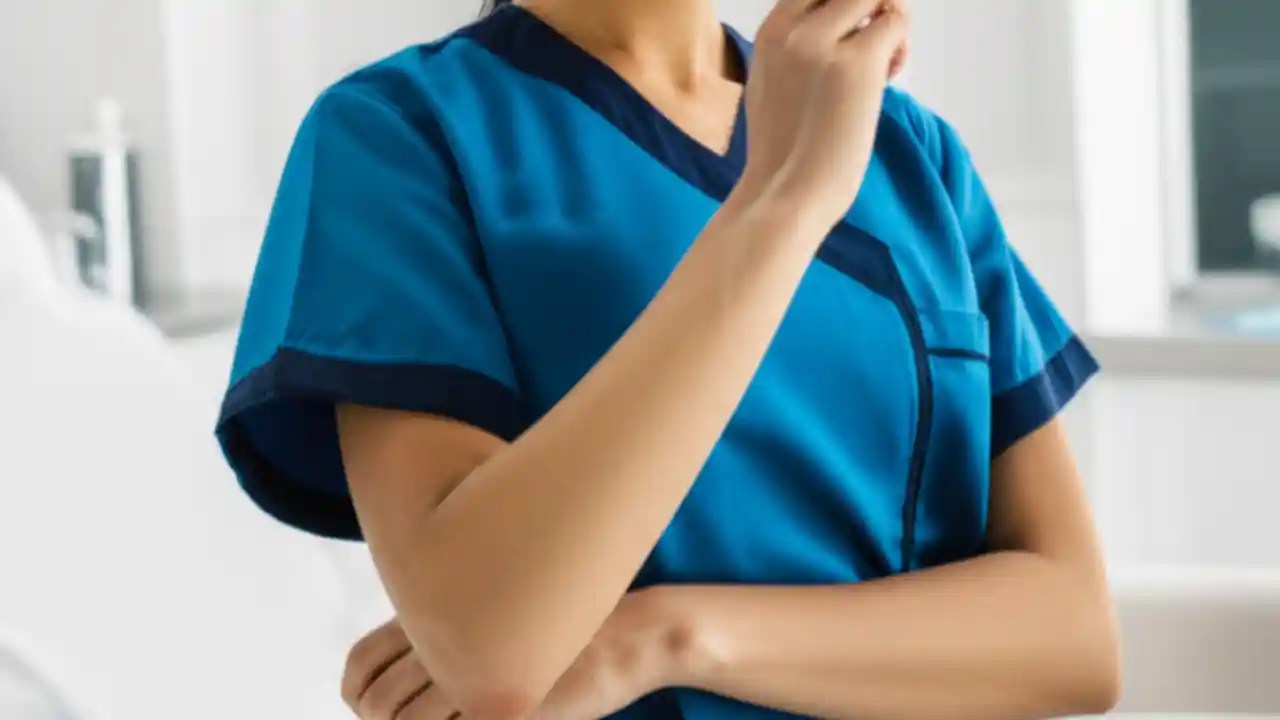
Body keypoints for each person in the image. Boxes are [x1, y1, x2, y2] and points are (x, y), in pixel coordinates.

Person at [215, 0, 1120, 717]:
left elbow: (1075, 639)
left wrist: (660, 638)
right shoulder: (397, 137)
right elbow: (492, 649)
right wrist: (782, 202)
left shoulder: (911, 152)